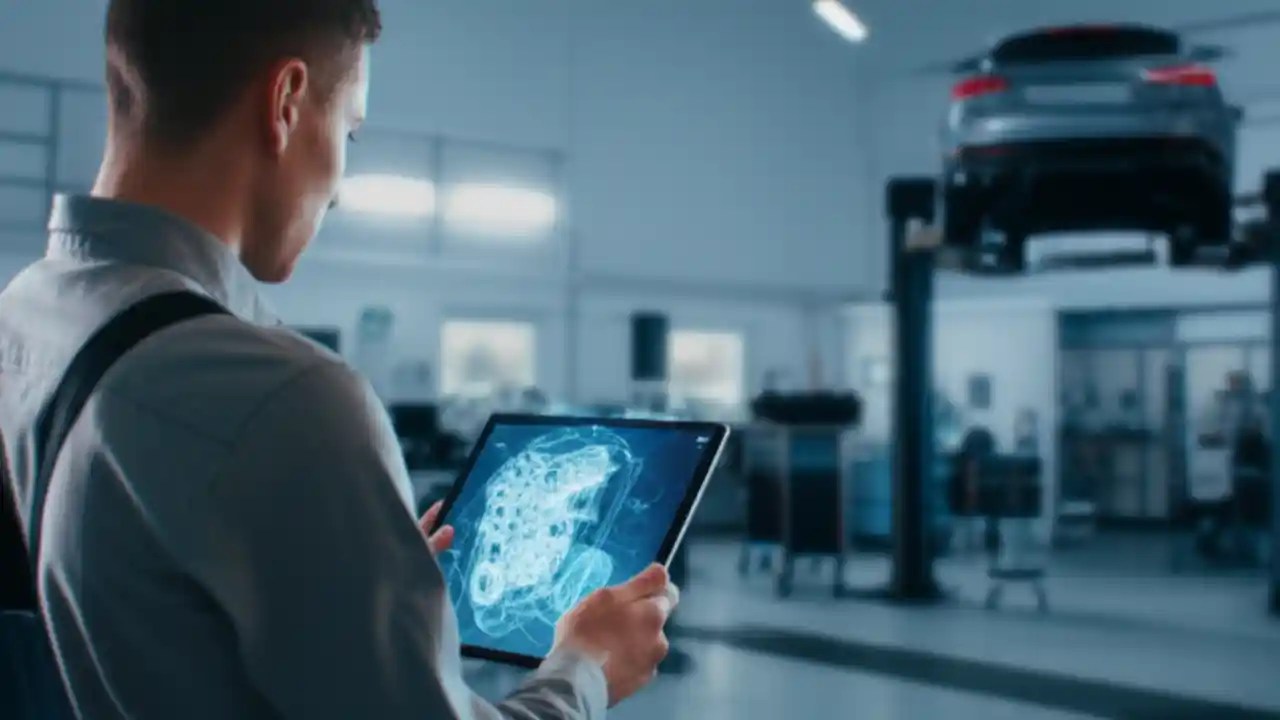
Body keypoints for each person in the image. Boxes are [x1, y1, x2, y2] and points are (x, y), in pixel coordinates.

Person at [0, 2, 675, 718]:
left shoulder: (26, 316)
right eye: (349, 129)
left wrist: (348, 569)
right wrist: (586, 668)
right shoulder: (288, 400)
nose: (340, 187)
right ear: (287, 101)